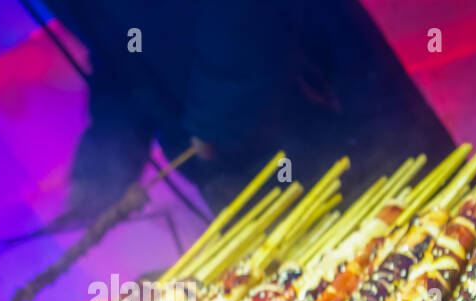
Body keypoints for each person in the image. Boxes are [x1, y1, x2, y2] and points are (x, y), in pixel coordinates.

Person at [45, 0, 455, 219]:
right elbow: (120, 55)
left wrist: (216, 118)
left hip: (321, 100)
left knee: (436, 241)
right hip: (229, 168)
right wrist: (98, 175)